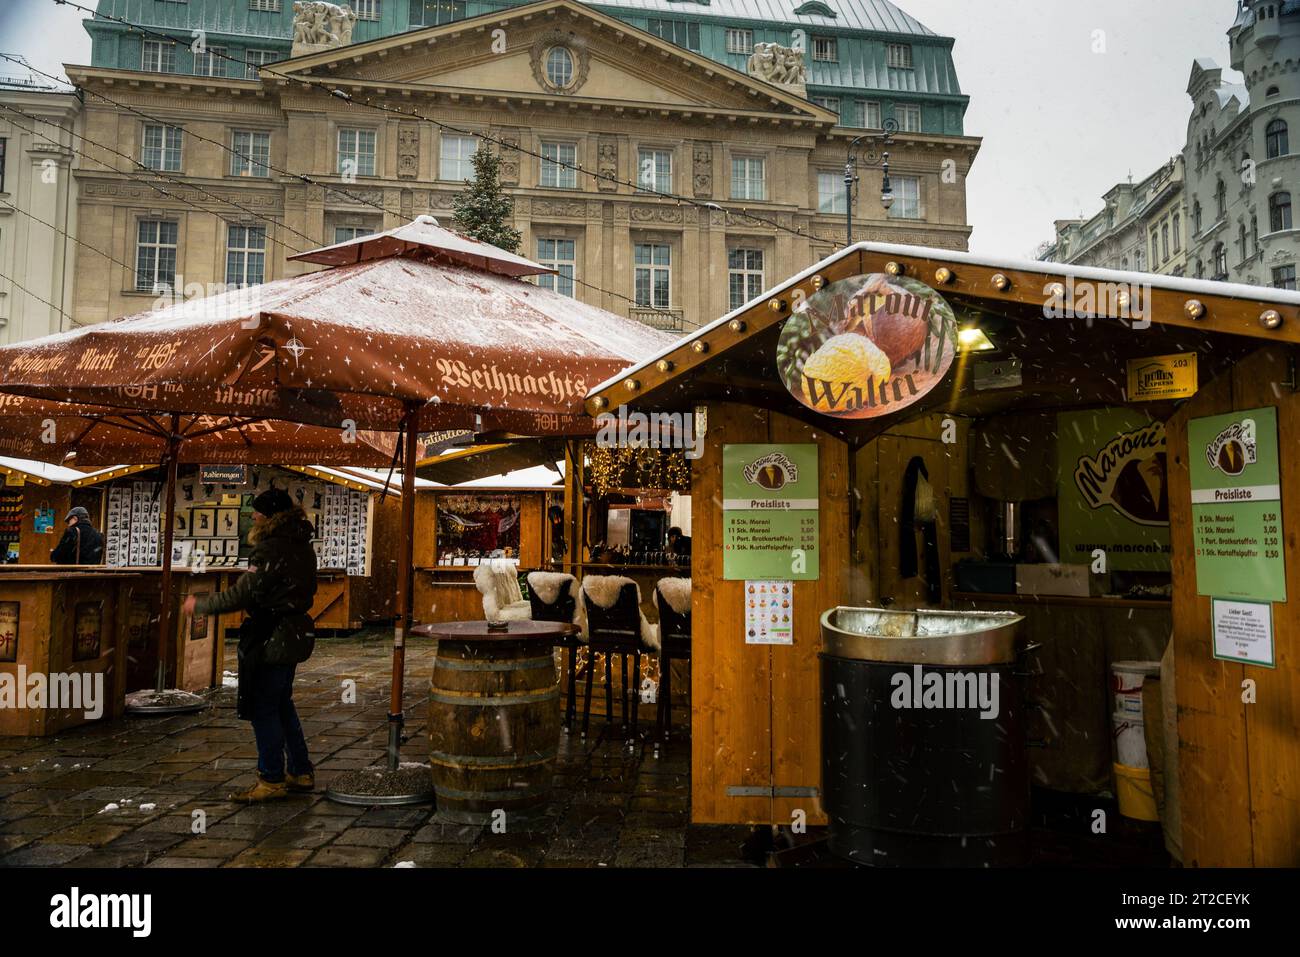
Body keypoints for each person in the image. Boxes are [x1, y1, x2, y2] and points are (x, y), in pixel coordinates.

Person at [183, 488, 318, 802]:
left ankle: (271, 777)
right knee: (282, 702)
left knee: (263, 707)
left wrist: (200, 605)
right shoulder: (302, 546)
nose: (253, 516)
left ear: (269, 516)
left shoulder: (271, 549)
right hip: (294, 631)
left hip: (271, 633)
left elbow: (242, 595)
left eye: (257, 512)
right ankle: (300, 770)